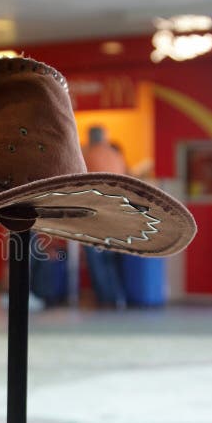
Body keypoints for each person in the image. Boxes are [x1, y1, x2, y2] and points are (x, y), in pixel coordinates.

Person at [82, 126, 127, 309]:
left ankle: (105, 298)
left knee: (96, 259)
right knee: (110, 259)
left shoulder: (88, 155)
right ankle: (117, 297)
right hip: (118, 214)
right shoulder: (116, 155)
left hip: (95, 215)